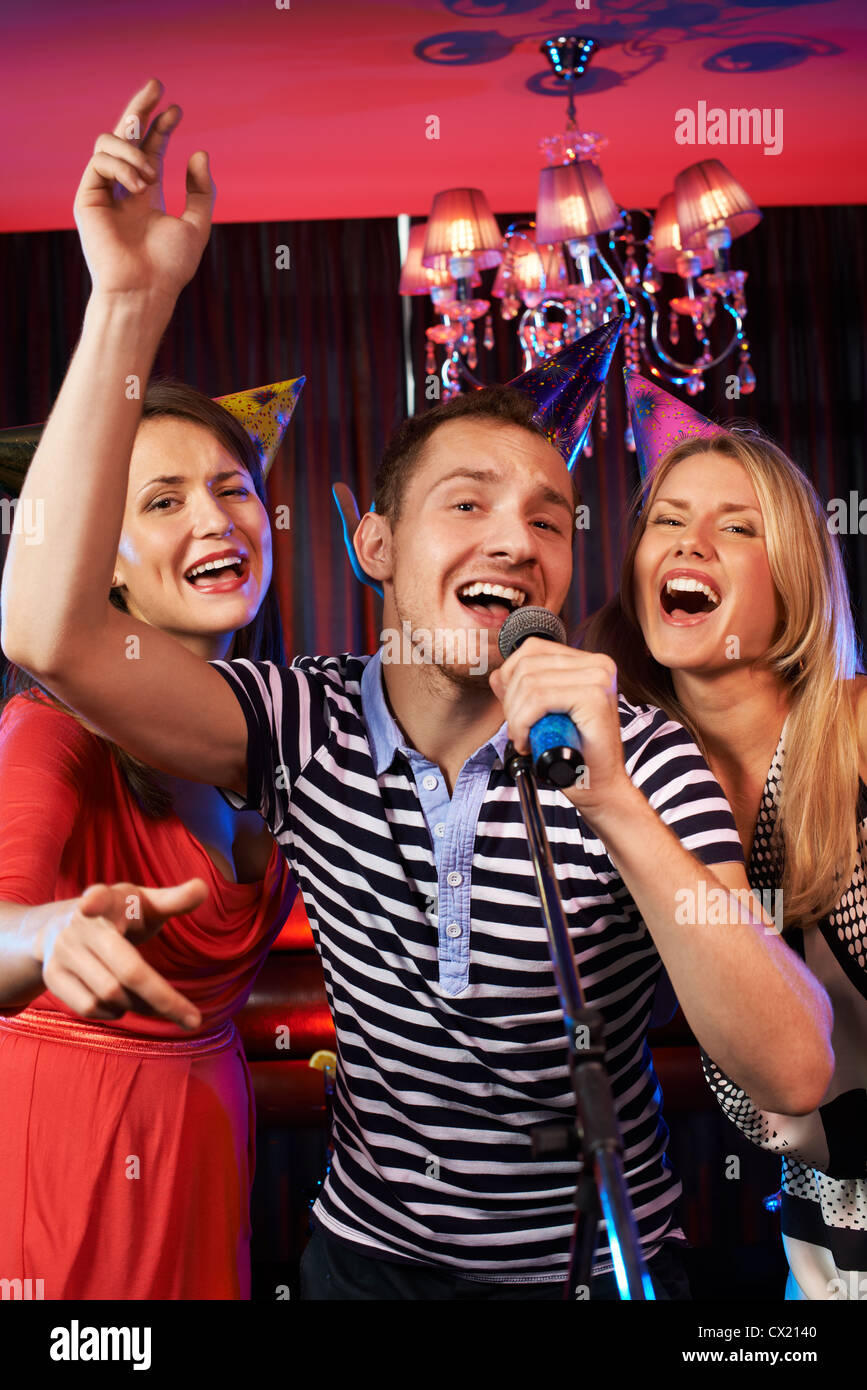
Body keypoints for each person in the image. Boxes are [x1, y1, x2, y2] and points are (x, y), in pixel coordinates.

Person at [2, 78, 833, 1299]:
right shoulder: (301, 723)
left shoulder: (637, 753)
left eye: (548, 518)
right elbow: (52, 634)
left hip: (598, 1264)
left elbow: (795, 1072)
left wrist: (610, 802)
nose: (515, 538)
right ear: (372, 545)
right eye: (468, 505)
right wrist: (129, 301)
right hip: (365, 1268)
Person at [0, 375, 300, 1298]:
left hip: (206, 1137)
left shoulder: (283, 727)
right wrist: (47, 934)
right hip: (73, 1145)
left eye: (231, 488)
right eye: (164, 501)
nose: (214, 520)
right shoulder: (51, 732)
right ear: (107, 561)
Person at [580, 371, 867, 1301]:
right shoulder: (637, 787)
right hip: (820, 1254)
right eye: (665, 521)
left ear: (795, 576)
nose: (689, 542)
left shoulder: (859, 735)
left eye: (736, 527)